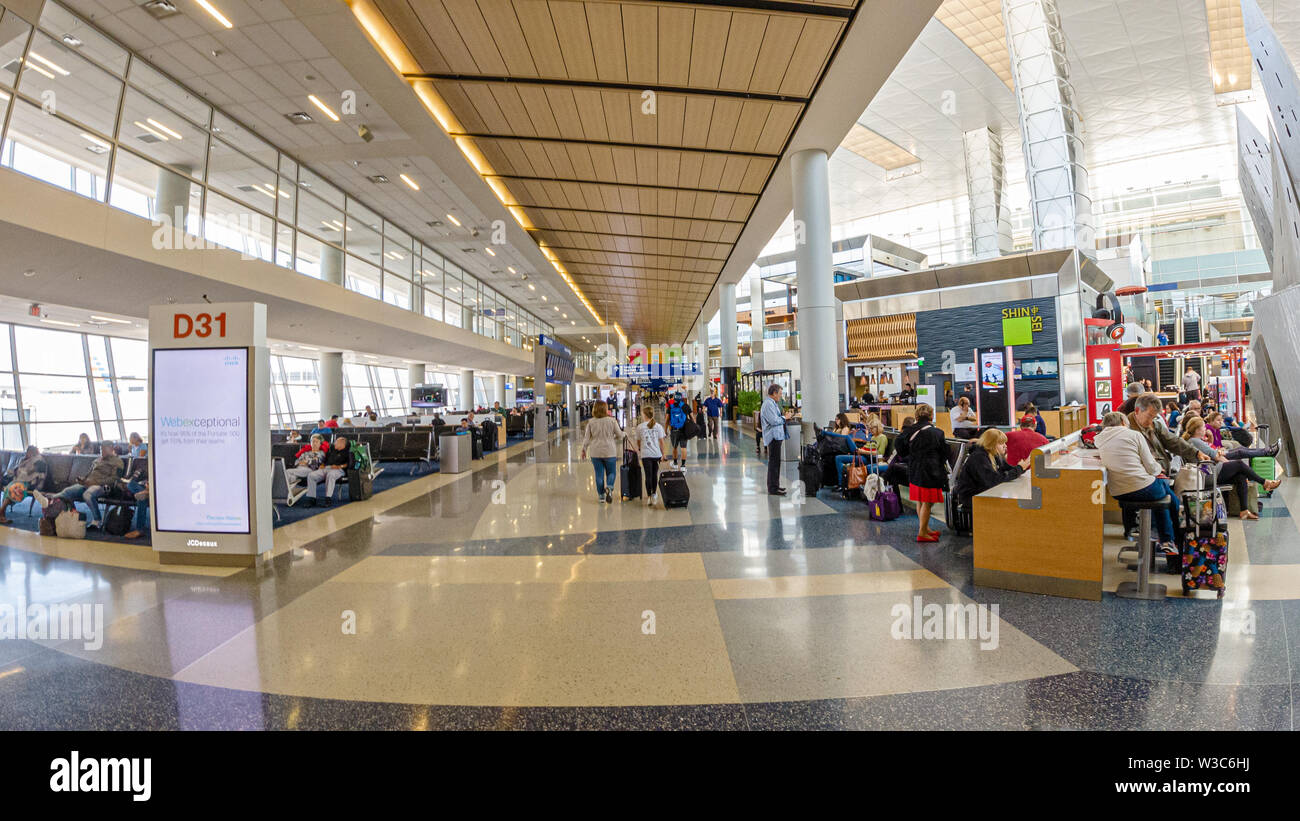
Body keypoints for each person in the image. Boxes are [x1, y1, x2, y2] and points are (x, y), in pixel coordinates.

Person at [1096, 411, 1179, 552]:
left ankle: (1159, 537)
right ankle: (1168, 539)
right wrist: (1159, 470)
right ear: (1123, 423)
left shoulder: (1099, 440)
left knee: (1162, 494)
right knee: (1168, 497)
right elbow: (1151, 467)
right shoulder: (1134, 435)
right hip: (1142, 488)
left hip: (1118, 492)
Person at [1182, 418, 1282, 519]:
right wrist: (1231, 465)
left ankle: (1244, 511)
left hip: (1209, 472)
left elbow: (1212, 453)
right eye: (1203, 427)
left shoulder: (1194, 440)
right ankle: (1265, 482)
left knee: (1240, 475)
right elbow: (1215, 455)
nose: (1205, 428)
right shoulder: (1195, 441)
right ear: (1197, 430)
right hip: (1209, 475)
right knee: (1239, 464)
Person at [36, 443, 123, 530]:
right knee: (68, 491)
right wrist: (83, 479)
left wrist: (95, 482)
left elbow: (114, 479)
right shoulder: (97, 460)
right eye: (101, 450)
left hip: (104, 486)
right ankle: (49, 499)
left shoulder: (117, 462)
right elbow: (89, 474)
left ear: (111, 449)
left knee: (87, 495)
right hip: (88, 484)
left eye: (104, 449)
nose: (101, 452)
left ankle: (97, 521)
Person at [952, 428, 1029, 513]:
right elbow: (993, 481)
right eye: (1001, 443)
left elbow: (1008, 469)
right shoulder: (979, 457)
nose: (1005, 446)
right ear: (991, 444)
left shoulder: (995, 455)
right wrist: (1020, 468)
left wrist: (1022, 467)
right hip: (972, 497)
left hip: (983, 492)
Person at [907, 405, 948, 542]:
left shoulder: (910, 430)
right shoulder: (937, 433)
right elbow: (944, 453)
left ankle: (924, 528)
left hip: (914, 468)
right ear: (931, 416)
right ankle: (922, 533)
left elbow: (900, 447)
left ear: (917, 415)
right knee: (928, 502)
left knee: (920, 499)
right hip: (931, 471)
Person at [580, 400, 623, 504]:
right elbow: (620, 435)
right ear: (605, 409)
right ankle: (609, 487)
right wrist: (614, 438)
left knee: (599, 474)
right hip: (610, 451)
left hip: (595, 452)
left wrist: (584, 450)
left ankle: (601, 496)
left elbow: (586, 438)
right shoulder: (612, 421)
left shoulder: (591, 422)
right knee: (611, 472)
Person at [0, 446, 48, 525]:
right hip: (18, 480)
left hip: (30, 482)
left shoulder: (39, 460)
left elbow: (38, 473)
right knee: (8, 488)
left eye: (28, 452)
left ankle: (1, 511)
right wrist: (17, 470)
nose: (27, 454)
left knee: (15, 489)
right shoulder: (24, 459)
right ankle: (2, 515)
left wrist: (22, 473)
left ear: (32, 452)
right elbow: (18, 469)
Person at [761, 383, 793, 495]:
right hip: (773, 437)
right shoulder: (768, 404)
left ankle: (776, 485)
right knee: (774, 463)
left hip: (777, 437)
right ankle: (773, 488)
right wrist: (785, 418)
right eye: (779, 394)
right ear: (774, 393)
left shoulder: (772, 403)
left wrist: (783, 418)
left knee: (776, 463)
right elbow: (774, 421)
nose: (780, 396)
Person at [634, 405, 667, 506]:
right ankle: (654, 493)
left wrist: (640, 449)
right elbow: (661, 442)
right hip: (656, 454)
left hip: (646, 455)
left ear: (644, 415)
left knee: (648, 475)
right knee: (654, 475)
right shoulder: (658, 426)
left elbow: (638, 442)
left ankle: (649, 496)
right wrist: (663, 454)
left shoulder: (640, 427)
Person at [304, 436, 350, 506]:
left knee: (330, 475)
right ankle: (312, 498)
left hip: (338, 470)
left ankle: (328, 499)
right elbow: (325, 460)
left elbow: (349, 464)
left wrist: (340, 466)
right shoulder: (331, 450)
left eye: (336, 442)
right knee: (311, 475)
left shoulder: (347, 453)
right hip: (327, 468)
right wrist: (322, 464)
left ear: (342, 444)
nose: (334, 443)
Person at [667, 393, 690, 467]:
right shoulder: (686, 406)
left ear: (674, 398)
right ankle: (683, 465)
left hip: (674, 430)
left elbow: (667, 420)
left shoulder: (671, 407)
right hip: (684, 430)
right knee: (683, 447)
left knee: (674, 447)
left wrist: (665, 430)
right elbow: (692, 417)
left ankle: (675, 463)